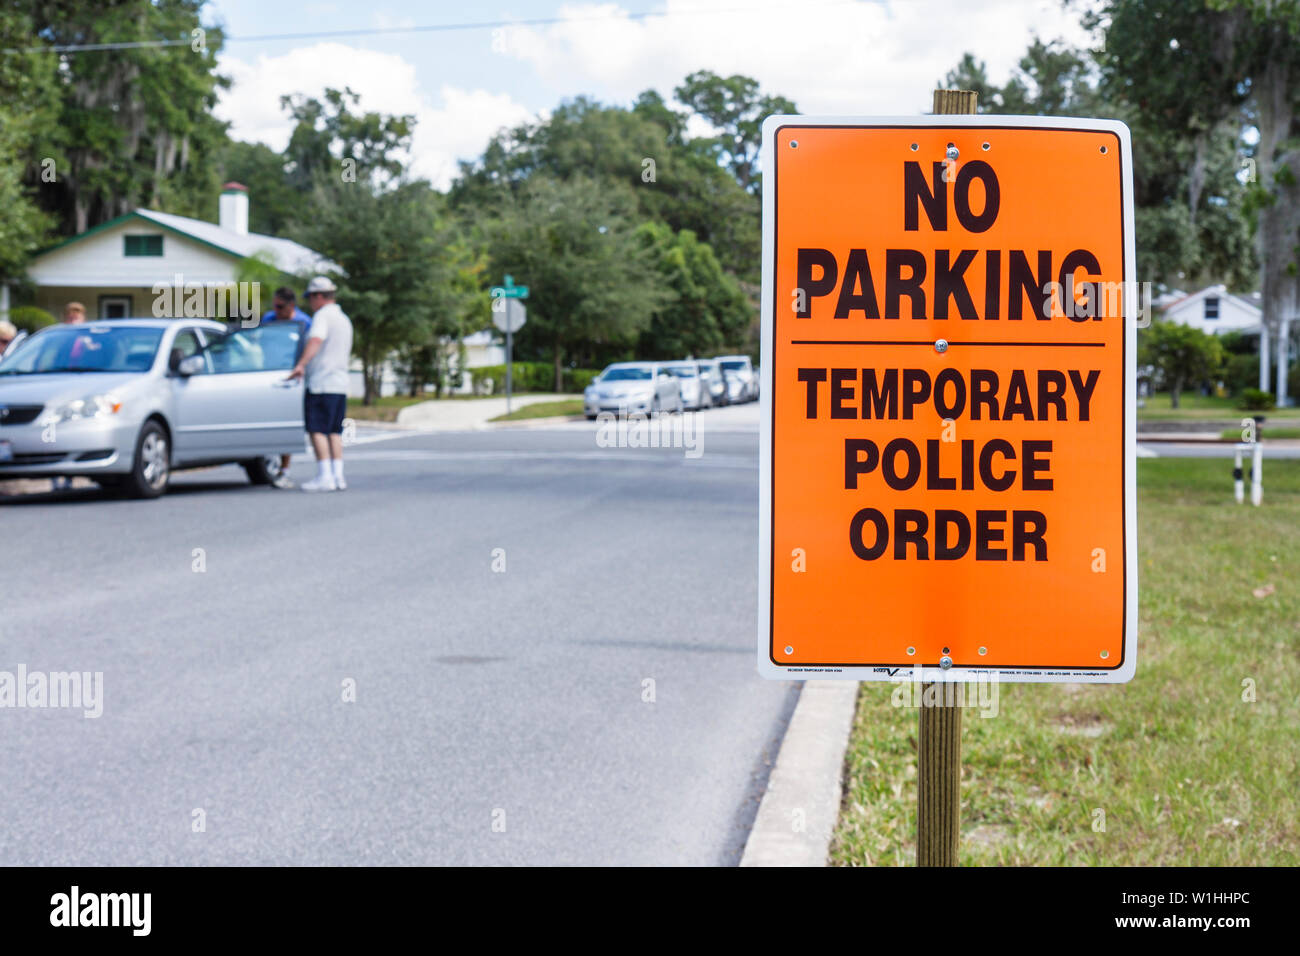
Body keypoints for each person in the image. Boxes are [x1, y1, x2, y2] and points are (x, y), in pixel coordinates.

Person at [286, 276, 353, 493]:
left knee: (317, 430)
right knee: (334, 431)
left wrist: (301, 365)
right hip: (340, 382)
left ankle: (324, 475)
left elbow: (316, 340)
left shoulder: (322, 317)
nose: (310, 302)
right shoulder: (344, 319)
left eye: (311, 297)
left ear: (318, 296)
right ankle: (338, 476)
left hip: (321, 381)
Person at [260, 287, 312, 489]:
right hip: (268, 372)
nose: (276, 310)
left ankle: (285, 469)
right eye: (274, 306)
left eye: (280, 306)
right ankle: (264, 465)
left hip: (291, 376)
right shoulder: (269, 319)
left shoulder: (304, 323)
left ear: (291, 305)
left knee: (286, 421)